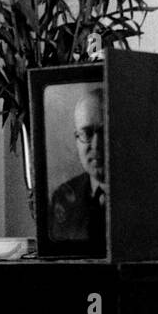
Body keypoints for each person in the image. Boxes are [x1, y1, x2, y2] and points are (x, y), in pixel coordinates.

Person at [48, 86, 106, 250]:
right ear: (76, 138)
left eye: (105, 131)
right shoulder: (63, 198)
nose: (96, 145)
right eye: (87, 133)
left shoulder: (143, 197)